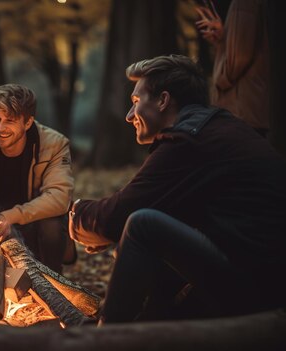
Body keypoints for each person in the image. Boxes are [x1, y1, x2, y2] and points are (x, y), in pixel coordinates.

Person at [69, 55, 286, 324]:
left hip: (258, 286)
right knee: (150, 233)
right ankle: (140, 327)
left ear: (163, 100)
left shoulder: (189, 141)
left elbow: (115, 217)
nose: (129, 116)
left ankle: (107, 338)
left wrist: (74, 214)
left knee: (142, 224)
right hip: (257, 272)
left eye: (136, 102)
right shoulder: (217, 129)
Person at [0, 84, 76, 274]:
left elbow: (59, 197)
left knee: (51, 225)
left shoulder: (55, 144)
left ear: (28, 123)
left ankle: (53, 280)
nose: (0, 128)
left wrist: (9, 217)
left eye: (10, 120)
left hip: (35, 228)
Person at [195, 0, 270, 136]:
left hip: (241, 111)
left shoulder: (243, 4)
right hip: (244, 109)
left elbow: (240, 57)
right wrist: (223, 39)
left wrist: (221, 80)